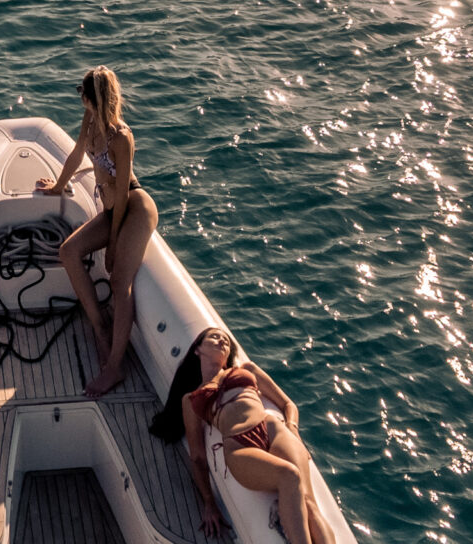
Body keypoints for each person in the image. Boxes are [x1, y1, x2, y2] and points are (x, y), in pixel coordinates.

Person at [33, 66, 159, 398]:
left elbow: (121, 187)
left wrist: (115, 241)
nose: (81, 100)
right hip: (111, 208)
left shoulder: (121, 137)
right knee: (68, 252)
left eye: (82, 94)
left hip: (134, 207)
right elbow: (77, 154)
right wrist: (58, 186)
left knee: (120, 280)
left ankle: (115, 367)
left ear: (91, 97)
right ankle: (100, 327)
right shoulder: (91, 123)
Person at [181, 327, 334, 544]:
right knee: (289, 475)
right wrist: (209, 503)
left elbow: (288, 404)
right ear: (197, 349)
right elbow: (197, 456)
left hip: (272, 428)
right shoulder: (191, 399)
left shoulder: (247, 369)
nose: (222, 341)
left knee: (309, 502)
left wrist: (292, 429)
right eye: (214, 337)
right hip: (239, 446)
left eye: (226, 340)